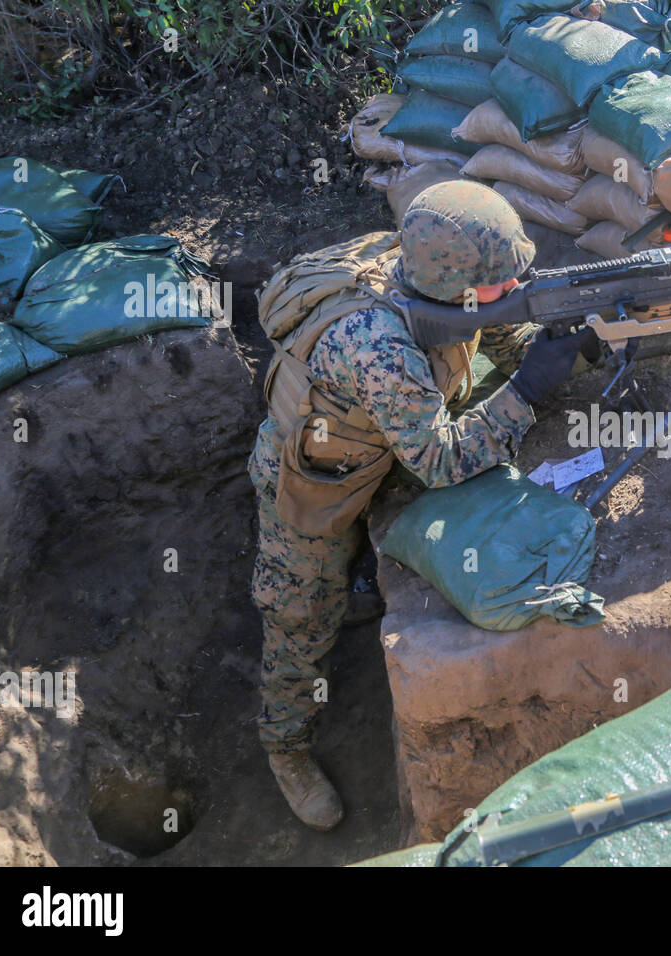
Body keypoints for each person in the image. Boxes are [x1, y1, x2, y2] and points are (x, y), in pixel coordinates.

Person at [247, 181, 589, 830]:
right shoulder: (377, 343)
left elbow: (500, 331)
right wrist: (529, 390)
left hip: (379, 451)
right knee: (299, 618)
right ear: (456, 290)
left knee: (368, 556)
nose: (513, 287)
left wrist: (562, 347)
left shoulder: (432, 277)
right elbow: (440, 461)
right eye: (499, 282)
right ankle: (286, 748)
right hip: (310, 483)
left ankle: (358, 587)